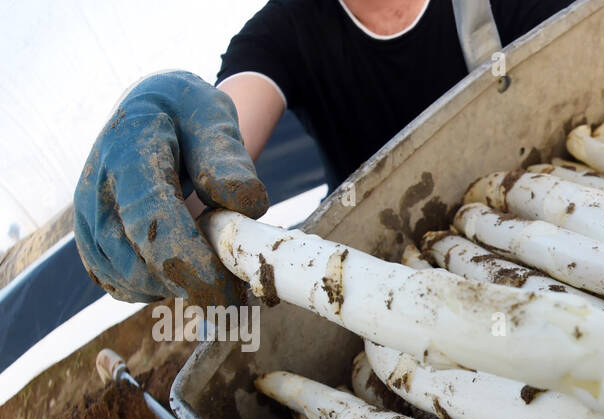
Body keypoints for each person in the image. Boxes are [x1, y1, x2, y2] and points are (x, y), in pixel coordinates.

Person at [74, 0, 571, 308]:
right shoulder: (285, 31)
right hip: (385, 282)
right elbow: (218, 152)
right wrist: (163, 173)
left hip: (546, 224)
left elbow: (592, 61)